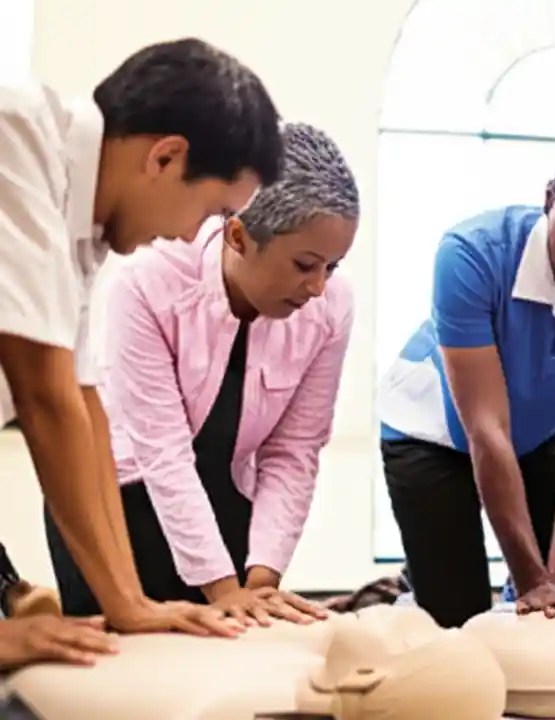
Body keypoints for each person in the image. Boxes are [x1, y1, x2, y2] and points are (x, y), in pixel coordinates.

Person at [0, 37, 282, 668]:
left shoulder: (81, 229)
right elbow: (44, 399)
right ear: (166, 156)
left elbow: (82, 404)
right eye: (210, 210)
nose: (190, 235)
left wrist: (127, 600)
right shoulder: (14, 135)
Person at [45, 122, 359, 627]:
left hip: (225, 500)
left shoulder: (332, 307)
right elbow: (162, 452)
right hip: (121, 502)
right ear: (238, 235)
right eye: (305, 264)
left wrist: (258, 584)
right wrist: (220, 589)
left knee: (233, 657)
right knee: (127, 681)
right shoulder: (148, 279)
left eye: (334, 266)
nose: (319, 287)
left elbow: (294, 450)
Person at [377, 128, 555, 628]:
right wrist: (531, 581)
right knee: (459, 622)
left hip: (529, 438)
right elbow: (485, 427)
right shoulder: (471, 254)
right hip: (430, 434)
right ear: (550, 196)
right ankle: (414, 588)